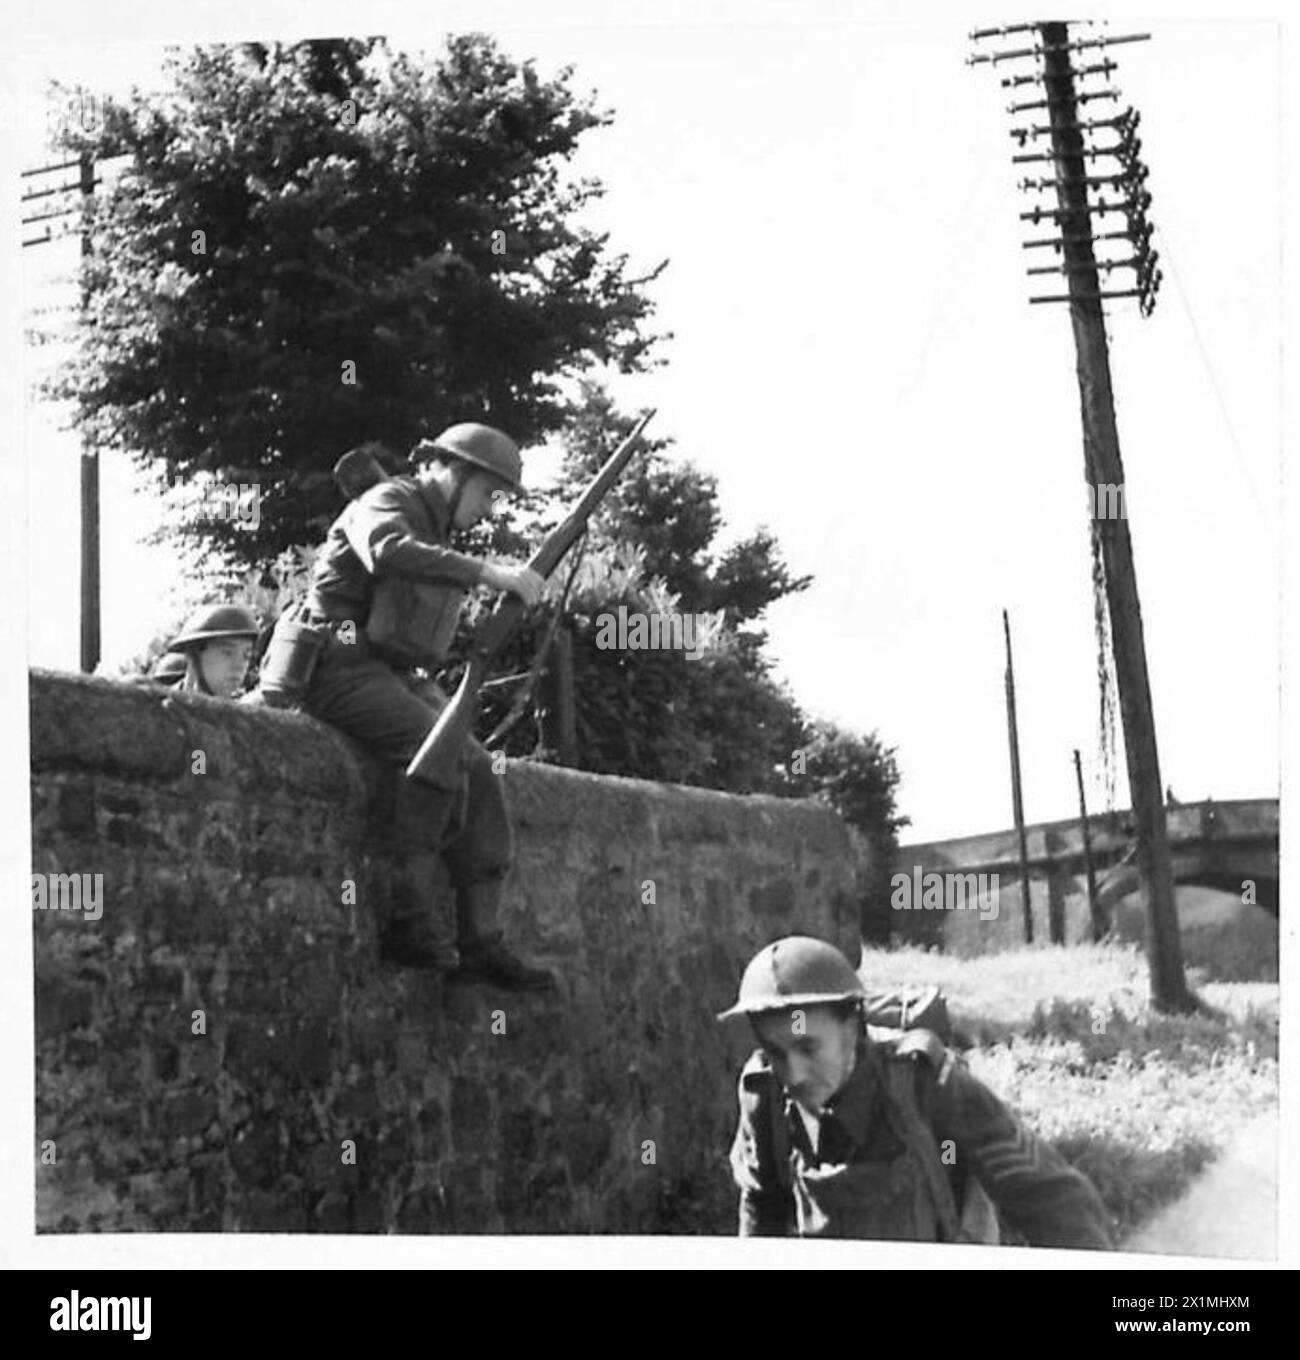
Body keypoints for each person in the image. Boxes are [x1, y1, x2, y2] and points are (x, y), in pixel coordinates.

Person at [258, 423, 550, 990]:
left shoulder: (433, 525)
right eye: (488, 492)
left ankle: (480, 943)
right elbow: (387, 549)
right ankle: (408, 919)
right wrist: (489, 573)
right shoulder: (388, 500)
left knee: (481, 767)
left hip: (384, 671)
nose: (490, 509)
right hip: (334, 666)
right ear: (452, 472)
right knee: (433, 751)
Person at [718, 935, 1114, 1247]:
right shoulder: (765, 1094)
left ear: (853, 1027)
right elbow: (761, 1208)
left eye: (808, 1048)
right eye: (776, 1052)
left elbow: (1054, 1198)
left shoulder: (928, 1084)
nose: (794, 1074)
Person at [167, 604, 260, 699]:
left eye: (246, 656)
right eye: (228, 653)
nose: (239, 667)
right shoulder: (156, 710)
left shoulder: (244, 712)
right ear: (193, 654)